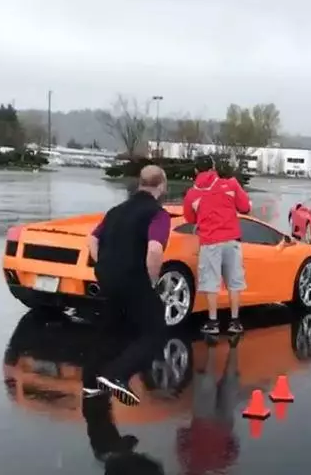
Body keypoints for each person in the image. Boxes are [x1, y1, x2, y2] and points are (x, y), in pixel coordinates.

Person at [87, 165, 171, 406]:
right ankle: (118, 375)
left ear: (140, 183)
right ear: (162, 185)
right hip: (133, 277)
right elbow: (154, 250)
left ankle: (91, 383)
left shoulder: (116, 211)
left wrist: (102, 261)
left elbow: (92, 238)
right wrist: (152, 282)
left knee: (112, 329)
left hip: (106, 275)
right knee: (155, 331)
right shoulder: (157, 214)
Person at [183, 156, 251, 335]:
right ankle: (235, 321)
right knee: (234, 281)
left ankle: (213, 322)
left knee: (211, 282)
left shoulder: (192, 193)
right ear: (213, 168)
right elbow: (245, 207)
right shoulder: (231, 185)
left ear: (196, 171)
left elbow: (190, 218)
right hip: (232, 240)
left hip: (210, 242)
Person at [175, 336, 241, 474]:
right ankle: (212, 345)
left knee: (229, 383)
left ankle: (234, 344)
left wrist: (228, 436)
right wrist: (188, 431)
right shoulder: (187, 462)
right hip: (203, 421)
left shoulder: (219, 466)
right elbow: (181, 440)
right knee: (207, 383)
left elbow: (234, 452)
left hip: (224, 425)